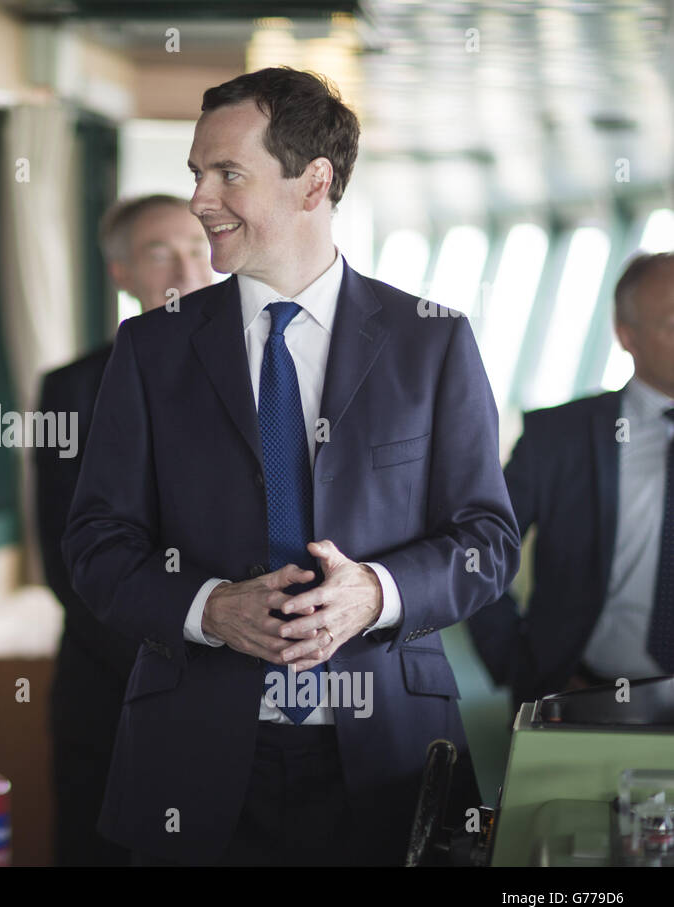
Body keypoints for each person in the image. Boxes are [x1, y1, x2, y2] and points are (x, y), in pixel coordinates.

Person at [62, 67, 520, 866]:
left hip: (392, 757)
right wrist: (210, 608)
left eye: (227, 174)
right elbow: (97, 546)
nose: (201, 198)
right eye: (197, 174)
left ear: (315, 183)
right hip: (192, 759)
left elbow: (487, 541)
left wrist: (376, 592)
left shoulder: (432, 341)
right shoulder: (152, 347)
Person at [35, 194, 213, 866]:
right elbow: (65, 555)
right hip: (107, 675)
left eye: (198, 247)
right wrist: (164, 658)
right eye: (160, 251)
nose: (186, 266)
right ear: (121, 274)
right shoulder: (72, 390)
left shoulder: (264, 380)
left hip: (228, 674)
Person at [469, 252, 674, 706]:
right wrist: (523, 665)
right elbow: (479, 551)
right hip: (588, 694)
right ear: (628, 337)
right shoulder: (558, 438)